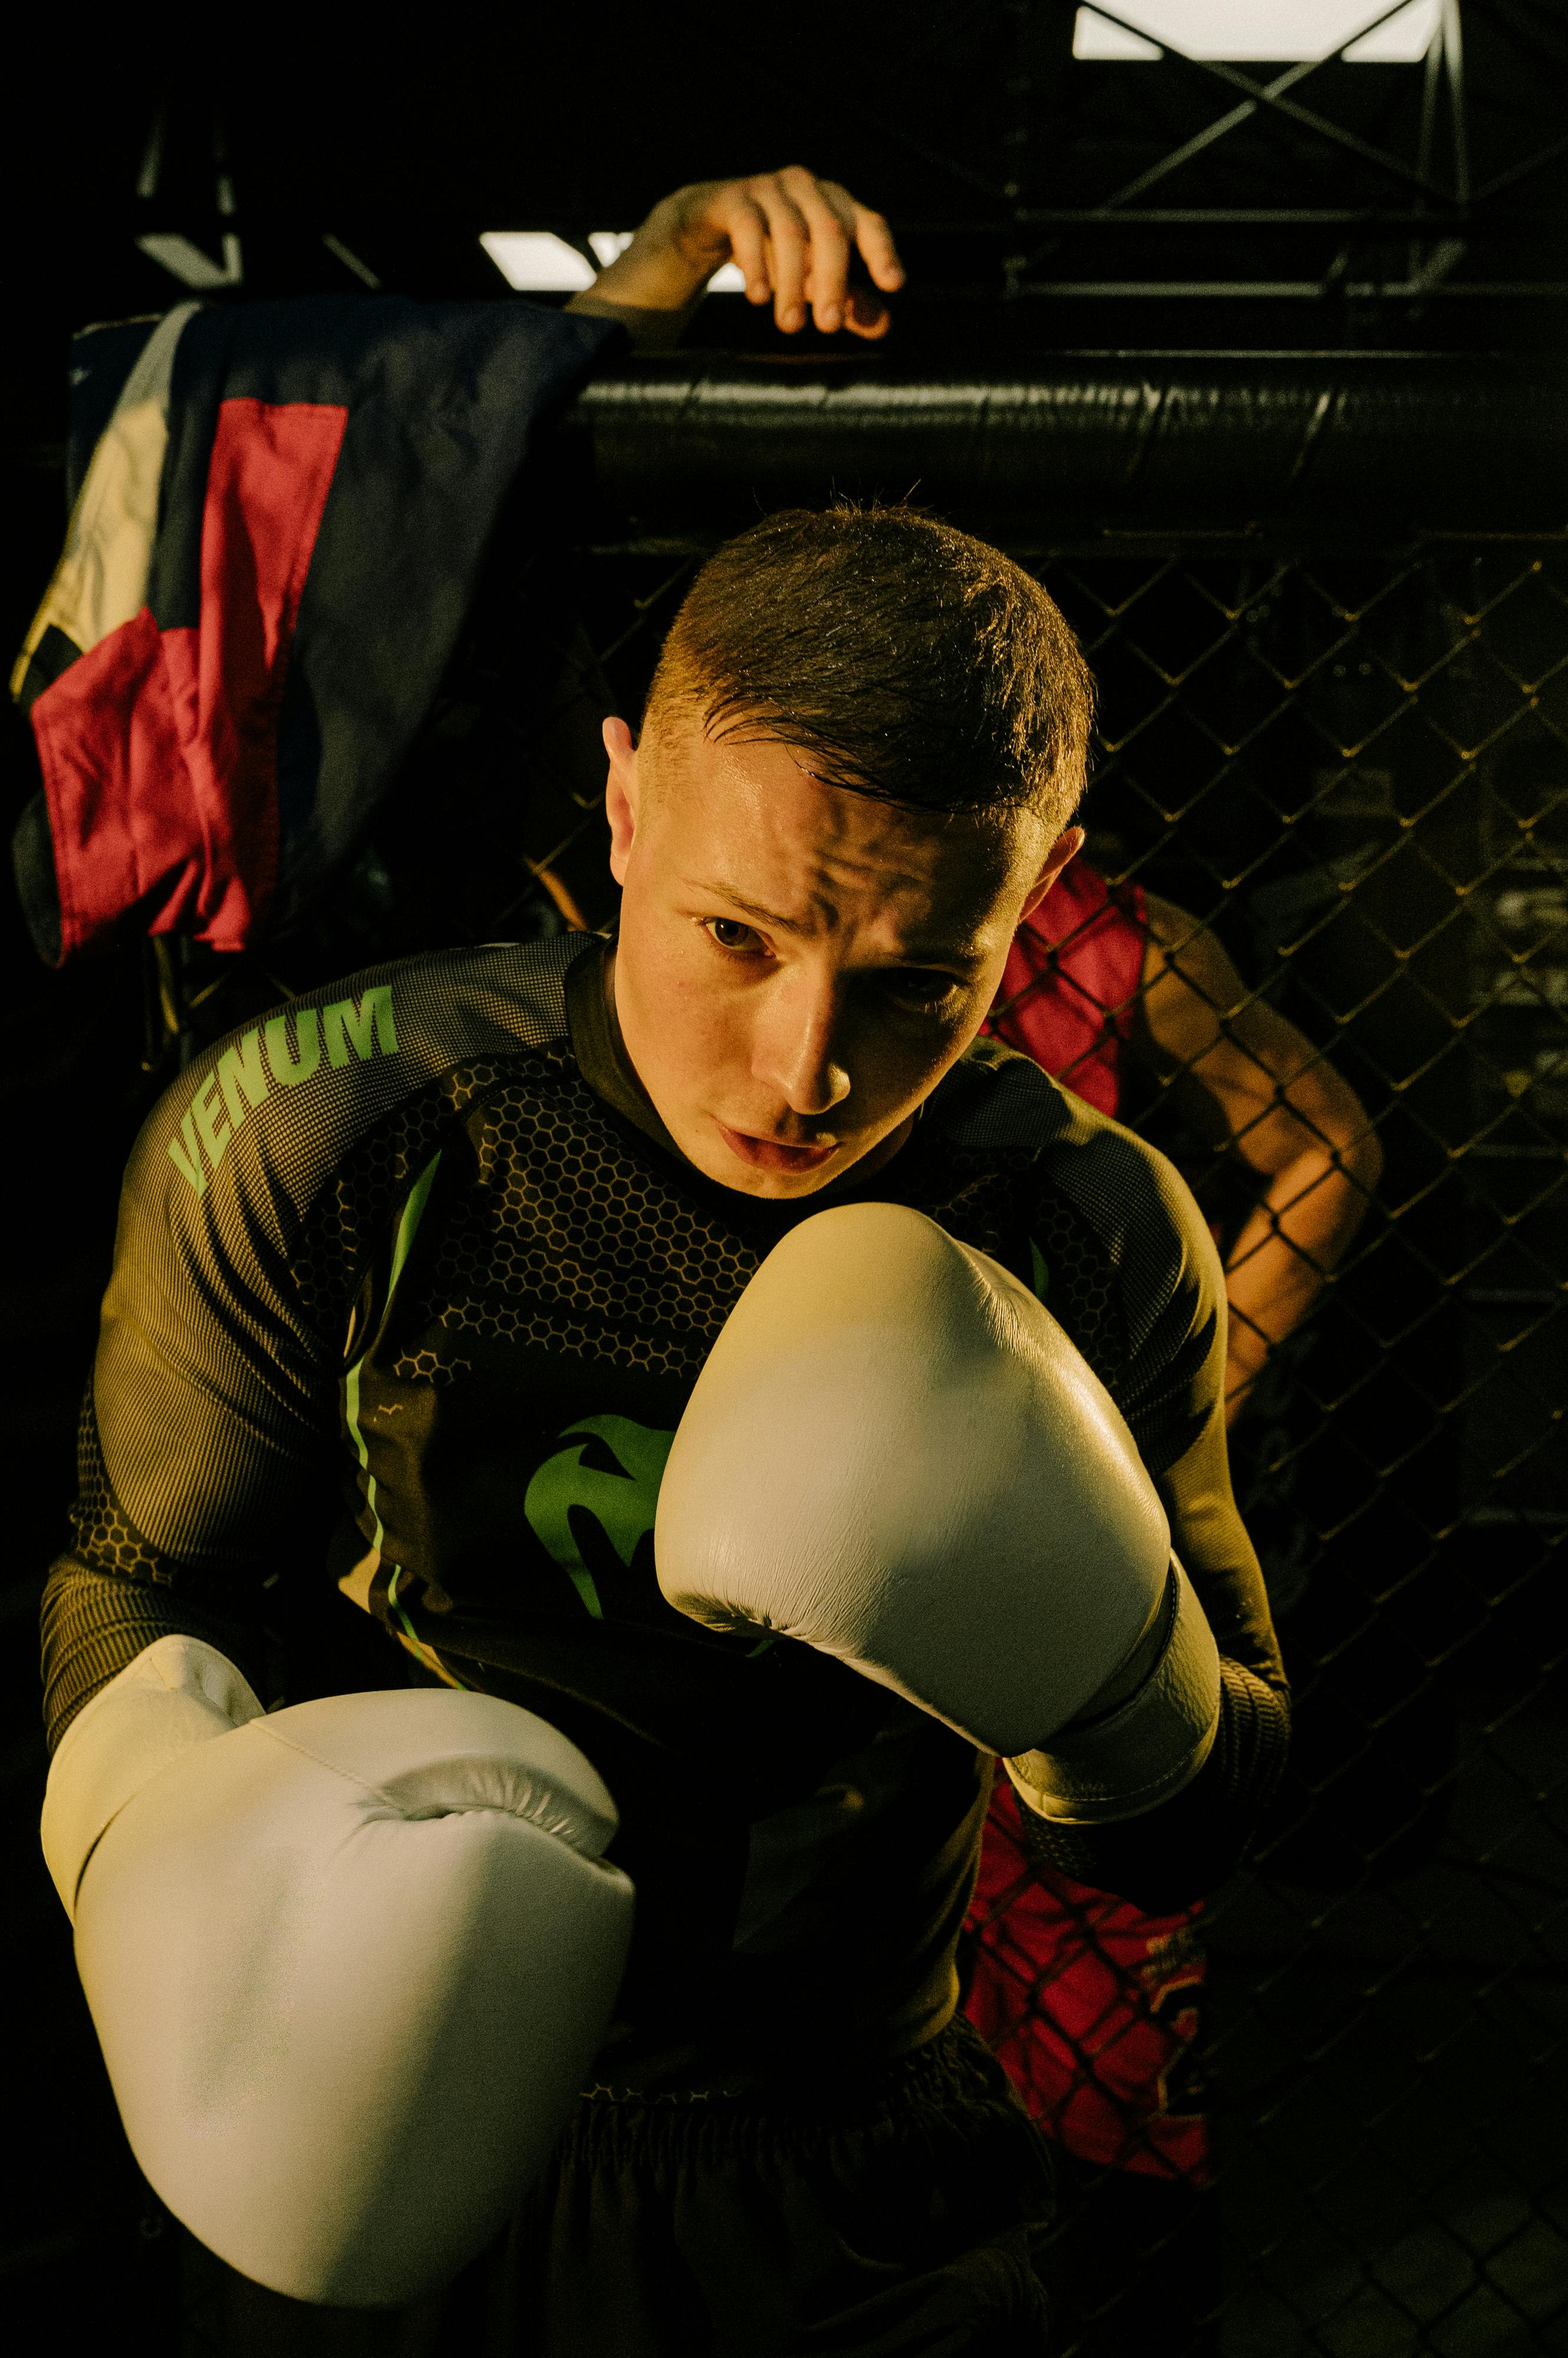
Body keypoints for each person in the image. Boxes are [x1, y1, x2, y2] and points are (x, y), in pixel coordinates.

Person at [37, 176, 1290, 2357]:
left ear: (1045, 893)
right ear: (621, 807)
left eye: (923, 980)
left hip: (846, 2154)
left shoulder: (1084, 1222)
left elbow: (1204, 1808)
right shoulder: (340, 1121)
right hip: (357, 2089)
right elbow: (126, 1569)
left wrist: (1108, 1692)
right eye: (739, 936)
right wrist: (171, 1865)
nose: (810, 1064)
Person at [966, 855, 1381, 2352]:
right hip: (827, 1544)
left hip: (1069, 1558)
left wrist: (1159, 1423)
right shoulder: (755, 910)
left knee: (1100, 2060)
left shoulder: (1103, 939)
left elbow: (1327, 1144)